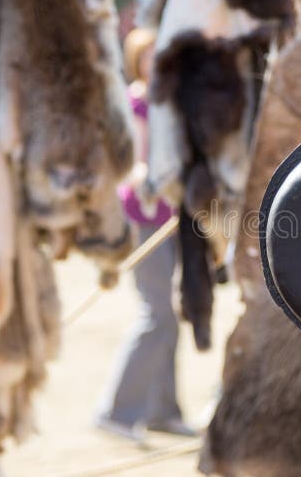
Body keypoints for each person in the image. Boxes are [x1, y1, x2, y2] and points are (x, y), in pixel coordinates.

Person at [96, 29, 194, 441]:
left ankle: (162, 412)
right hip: (143, 218)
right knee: (156, 316)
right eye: (148, 56)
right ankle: (117, 412)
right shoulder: (135, 102)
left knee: (168, 315)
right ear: (137, 60)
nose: (155, 63)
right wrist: (148, 182)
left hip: (170, 219)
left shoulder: (171, 105)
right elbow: (136, 161)